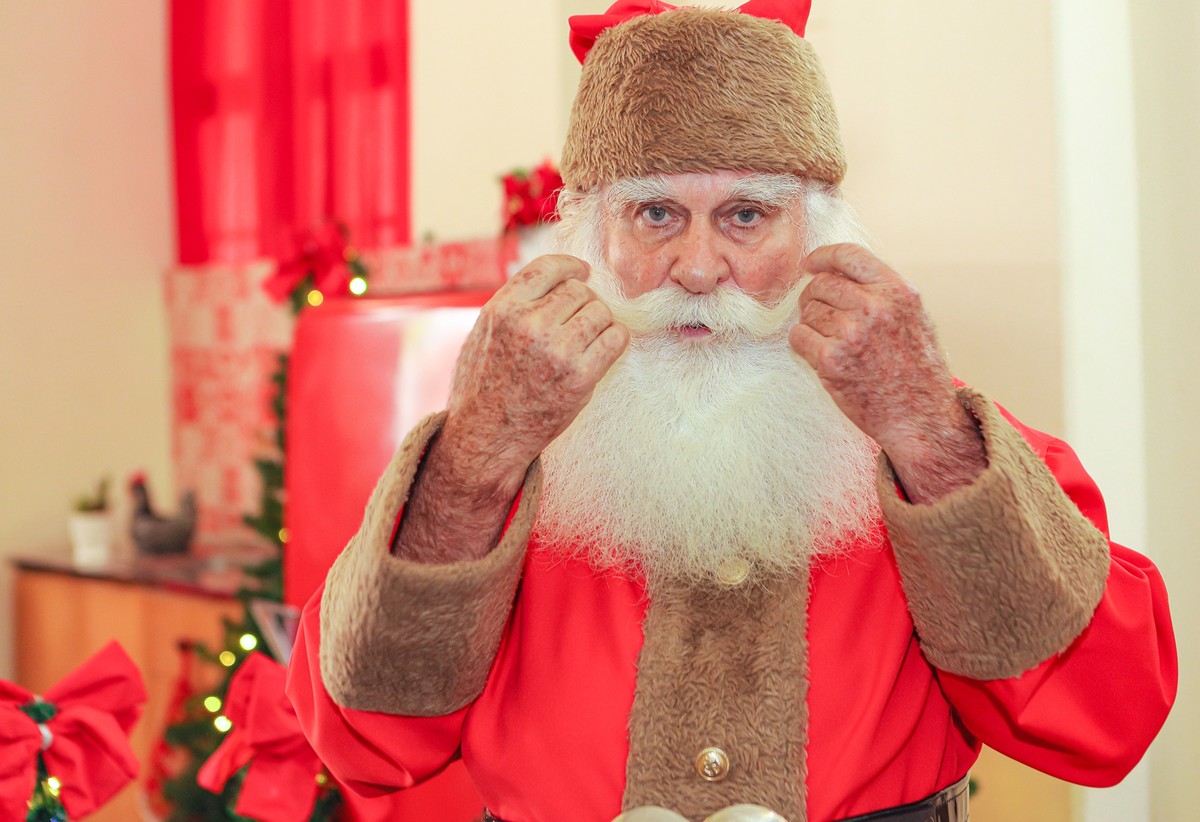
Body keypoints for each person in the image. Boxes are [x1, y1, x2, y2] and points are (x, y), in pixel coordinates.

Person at [286, 3, 1177, 821]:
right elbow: (363, 735)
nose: (700, 267)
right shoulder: (502, 444)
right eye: (657, 214)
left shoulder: (943, 441)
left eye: (746, 214)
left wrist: (926, 435)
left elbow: (1110, 718)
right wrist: (478, 456)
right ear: (592, 240)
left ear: (822, 237)